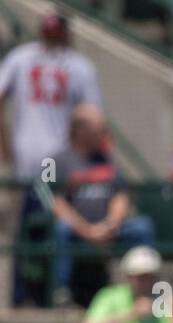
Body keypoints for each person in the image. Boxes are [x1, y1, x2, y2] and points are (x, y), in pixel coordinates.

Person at [0, 12, 102, 305]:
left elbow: (92, 118)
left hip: (43, 160)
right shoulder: (72, 64)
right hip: (58, 161)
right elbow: (95, 118)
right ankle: (39, 295)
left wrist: (5, 145)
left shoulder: (25, 57)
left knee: (38, 229)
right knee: (40, 230)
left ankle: (35, 295)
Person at [48, 104, 155, 305]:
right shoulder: (56, 161)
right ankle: (61, 293)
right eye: (99, 130)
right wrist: (87, 230)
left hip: (109, 228)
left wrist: (110, 224)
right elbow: (56, 203)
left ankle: (147, 290)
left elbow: (121, 196)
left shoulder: (107, 159)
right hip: (77, 230)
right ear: (80, 131)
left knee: (142, 227)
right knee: (62, 229)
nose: (104, 135)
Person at [80, 245, 172, 323]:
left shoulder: (161, 306)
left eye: (150, 277)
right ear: (129, 277)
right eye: (140, 277)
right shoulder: (109, 297)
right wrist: (132, 314)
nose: (146, 282)